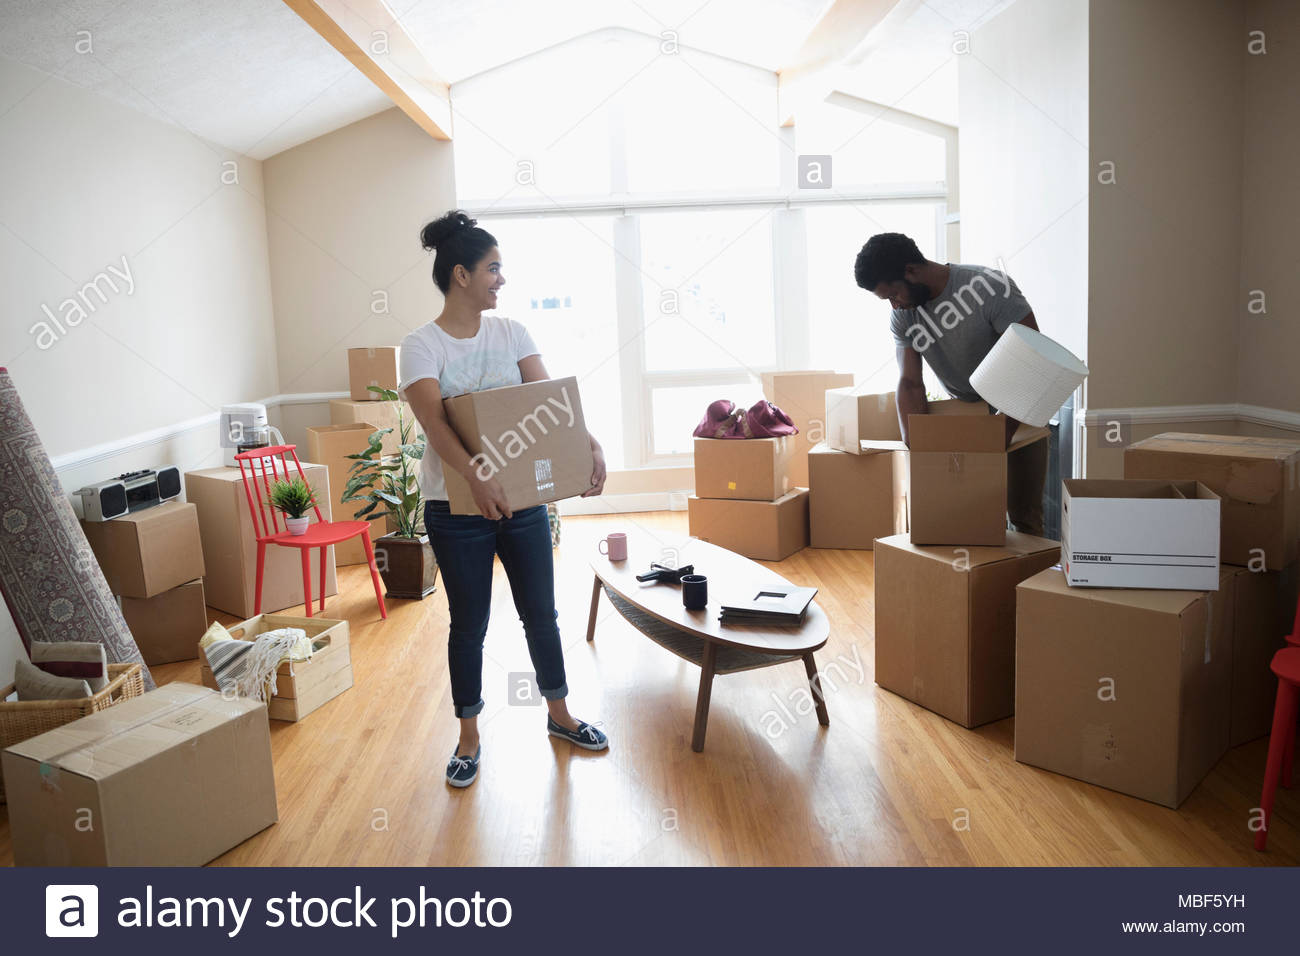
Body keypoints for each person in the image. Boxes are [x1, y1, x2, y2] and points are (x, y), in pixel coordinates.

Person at [398, 210, 609, 789]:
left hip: (522, 504)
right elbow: (435, 425)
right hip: (455, 509)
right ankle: (469, 736)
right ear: (461, 275)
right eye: (493, 269)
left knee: (541, 612)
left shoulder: (512, 332)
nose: (501, 279)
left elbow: (547, 401)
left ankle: (560, 716)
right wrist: (477, 477)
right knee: (469, 625)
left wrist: (589, 444)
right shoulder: (421, 346)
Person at [854, 232, 1048, 536]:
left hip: (1020, 405)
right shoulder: (905, 316)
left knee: (1024, 519)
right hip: (968, 412)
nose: (894, 306)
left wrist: (1000, 434)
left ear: (911, 271)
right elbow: (910, 382)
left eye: (893, 295)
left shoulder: (989, 288)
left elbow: (1033, 359)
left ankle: (1026, 585)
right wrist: (915, 441)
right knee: (971, 520)